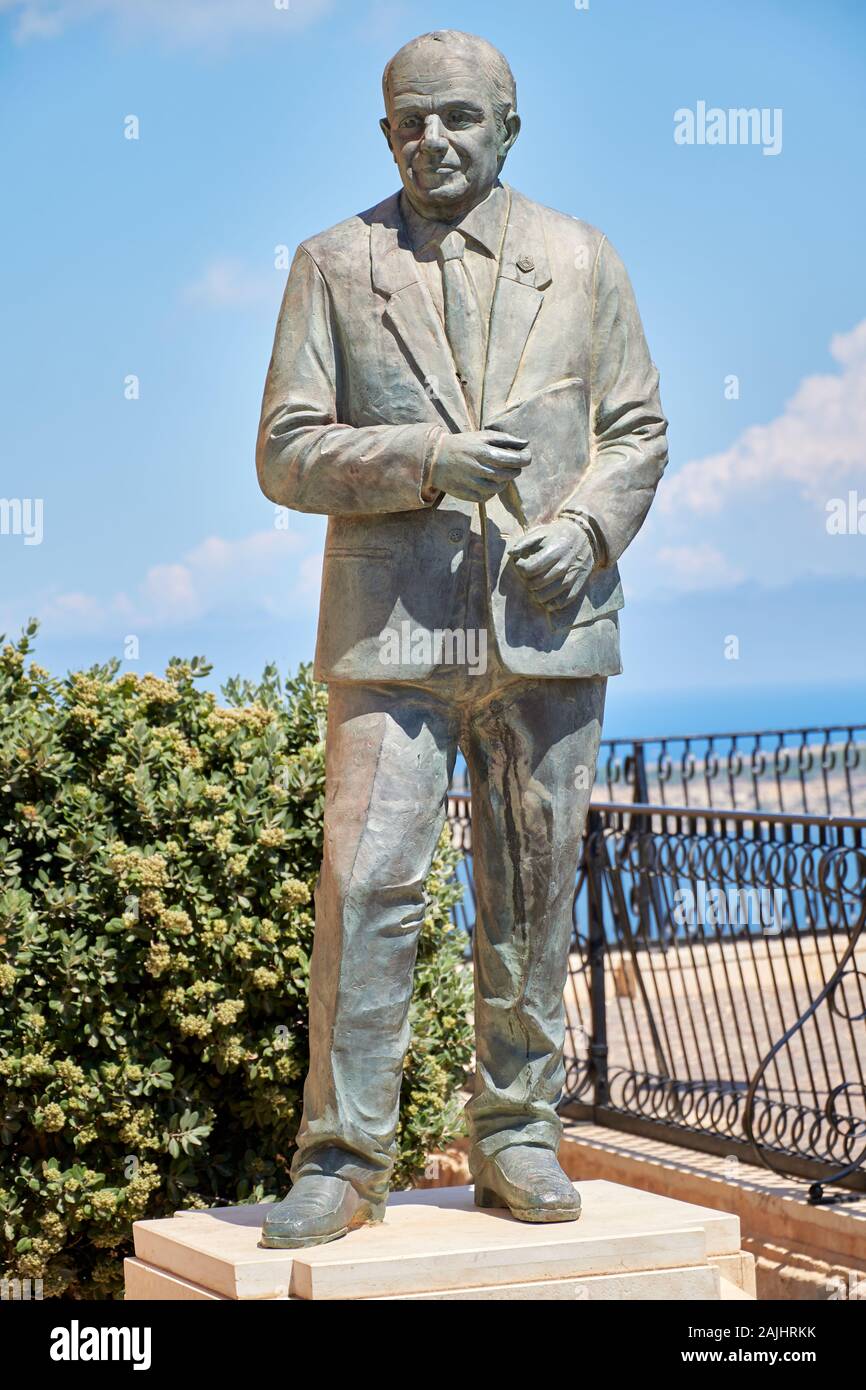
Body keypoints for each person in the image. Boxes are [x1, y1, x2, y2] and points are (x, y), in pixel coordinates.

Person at [256, 28, 668, 1248]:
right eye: (405, 121)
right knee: (367, 882)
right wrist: (422, 462)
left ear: (506, 127)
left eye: (454, 118)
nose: (428, 139)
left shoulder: (580, 260)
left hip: (551, 627)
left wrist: (589, 532)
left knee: (532, 896)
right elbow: (283, 450)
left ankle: (517, 1133)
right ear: (384, 131)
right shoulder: (335, 263)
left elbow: (636, 429)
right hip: (390, 634)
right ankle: (339, 1156)